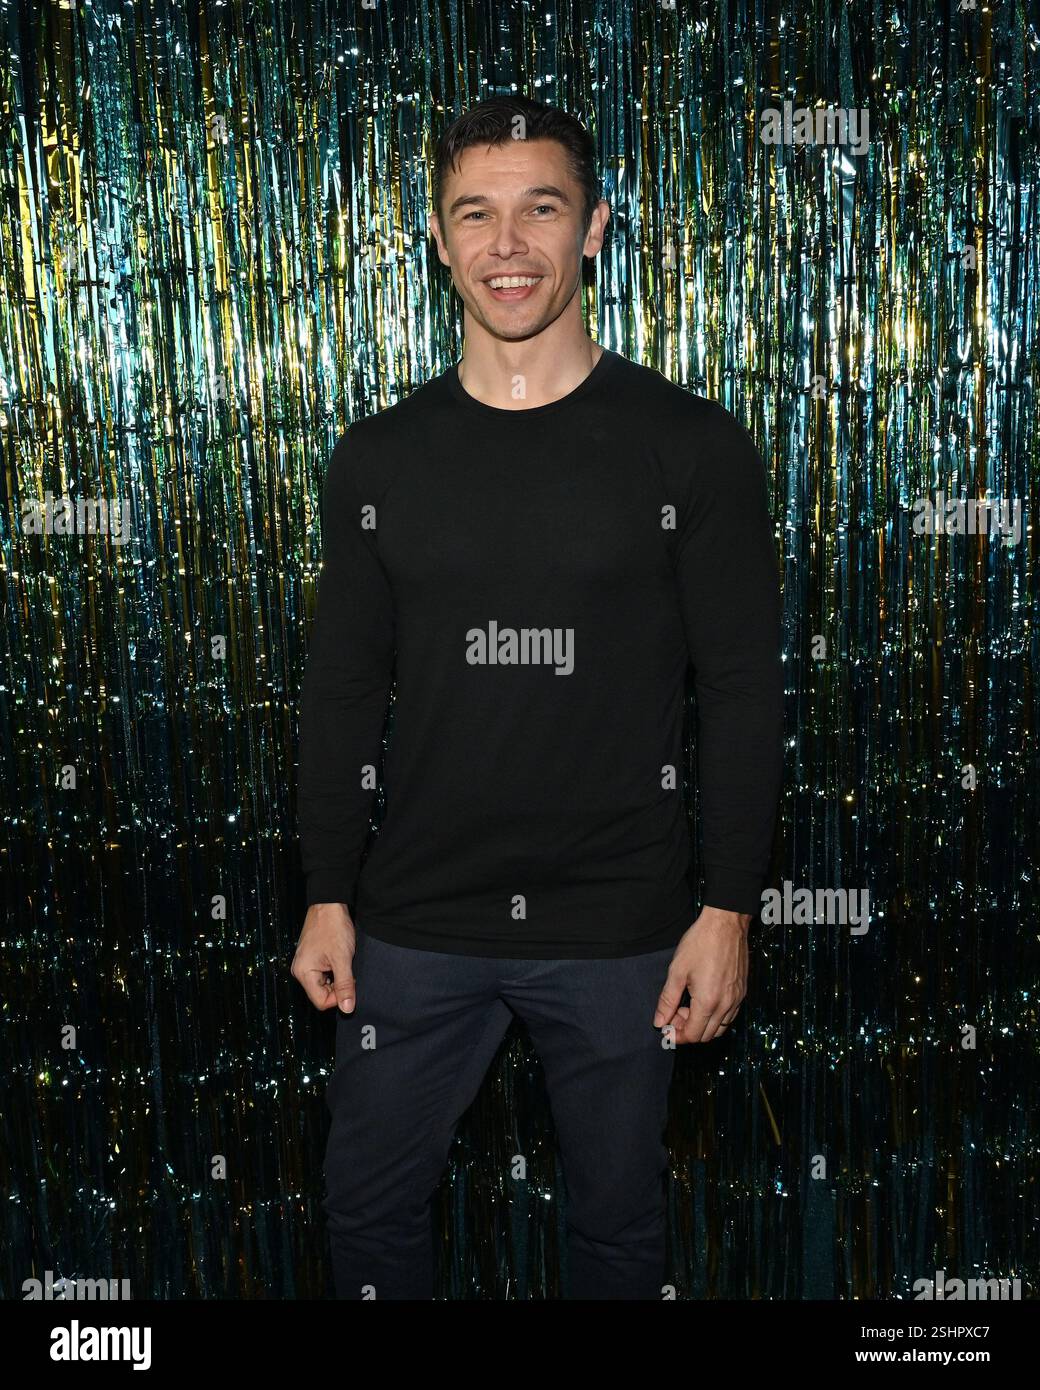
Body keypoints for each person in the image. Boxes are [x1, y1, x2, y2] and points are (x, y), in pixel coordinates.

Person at [292, 93, 784, 1300]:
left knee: (618, 1235)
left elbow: (740, 690)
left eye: (539, 209)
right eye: (476, 214)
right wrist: (323, 892)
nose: (506, 244)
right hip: (412, 920)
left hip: (622, 925)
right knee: (364, 1210)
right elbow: (344, 690)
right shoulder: (378, 459)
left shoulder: (693, 448)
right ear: (438, 241)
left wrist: (726, 909)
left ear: (595, 228)